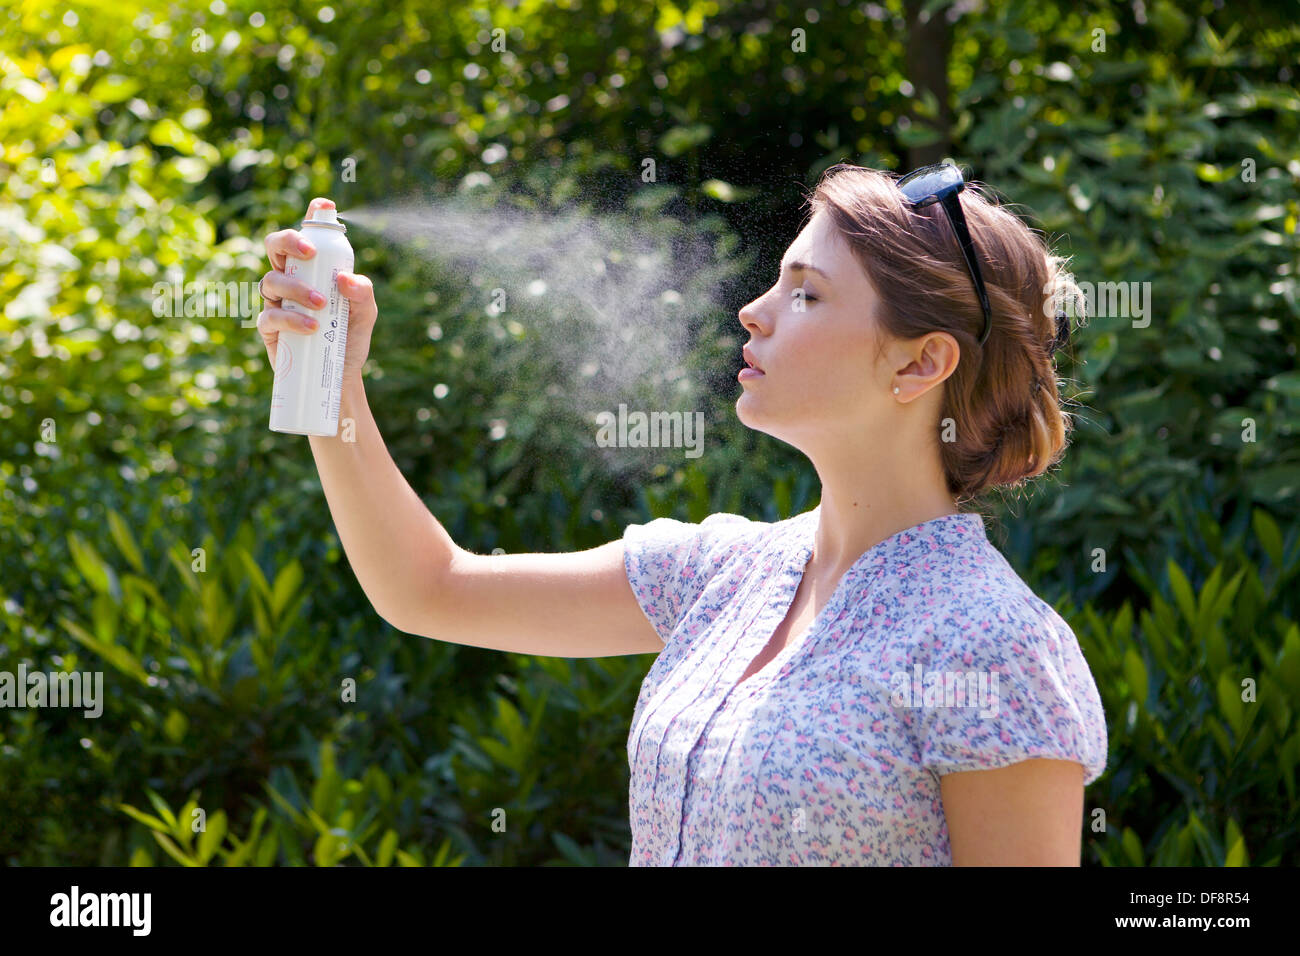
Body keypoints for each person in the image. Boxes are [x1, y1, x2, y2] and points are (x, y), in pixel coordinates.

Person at [255, 163, 1107, 866]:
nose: (755, 310)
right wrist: (331, 386)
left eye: (806, 295)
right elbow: (429, 588)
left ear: (922, 364)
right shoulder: (721, 575)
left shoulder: (989, 645)